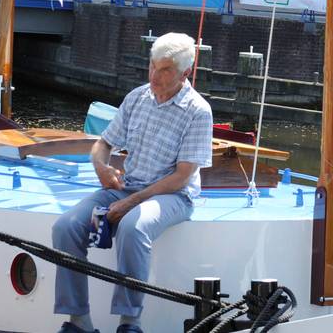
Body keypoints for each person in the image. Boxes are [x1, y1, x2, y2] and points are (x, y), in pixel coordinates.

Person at [52, 32, 213, 333]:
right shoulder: (136, 98)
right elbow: (103, 143)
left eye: (165, 70)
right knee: (65, 227)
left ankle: (129, 323)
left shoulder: (198, 111)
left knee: (133, 226)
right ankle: (79, 322)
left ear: (185, 72)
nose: (155, 75)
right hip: (128, 187)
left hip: (175, 196)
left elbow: (181, 176)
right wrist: (100, 167)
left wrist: (129, 202)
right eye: (153, 66)